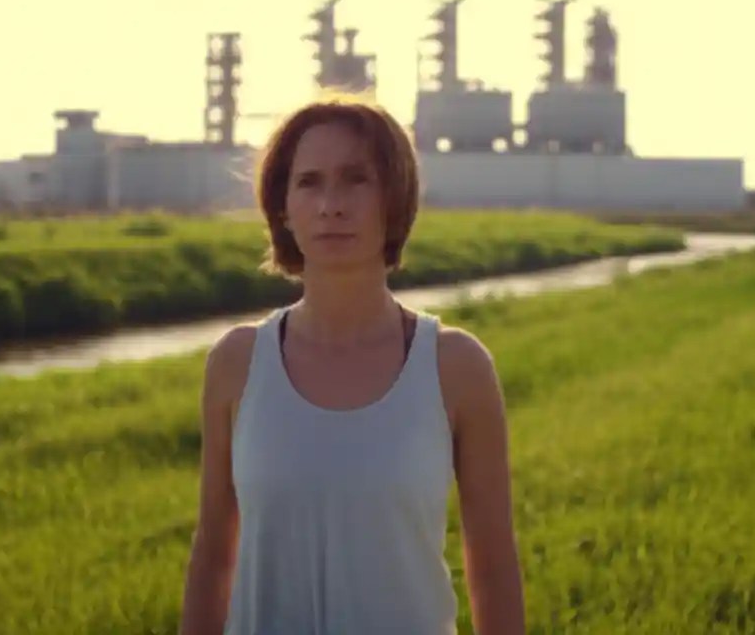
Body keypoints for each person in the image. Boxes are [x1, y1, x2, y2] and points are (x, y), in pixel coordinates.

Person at [180, 96, 525, 634]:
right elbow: (213, 557)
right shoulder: (236, 364)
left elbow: (493, 567)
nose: (331, 205)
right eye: (310, 182)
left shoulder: (456, 367)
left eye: (356, 179)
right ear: (283, 209)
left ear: (395, 199)